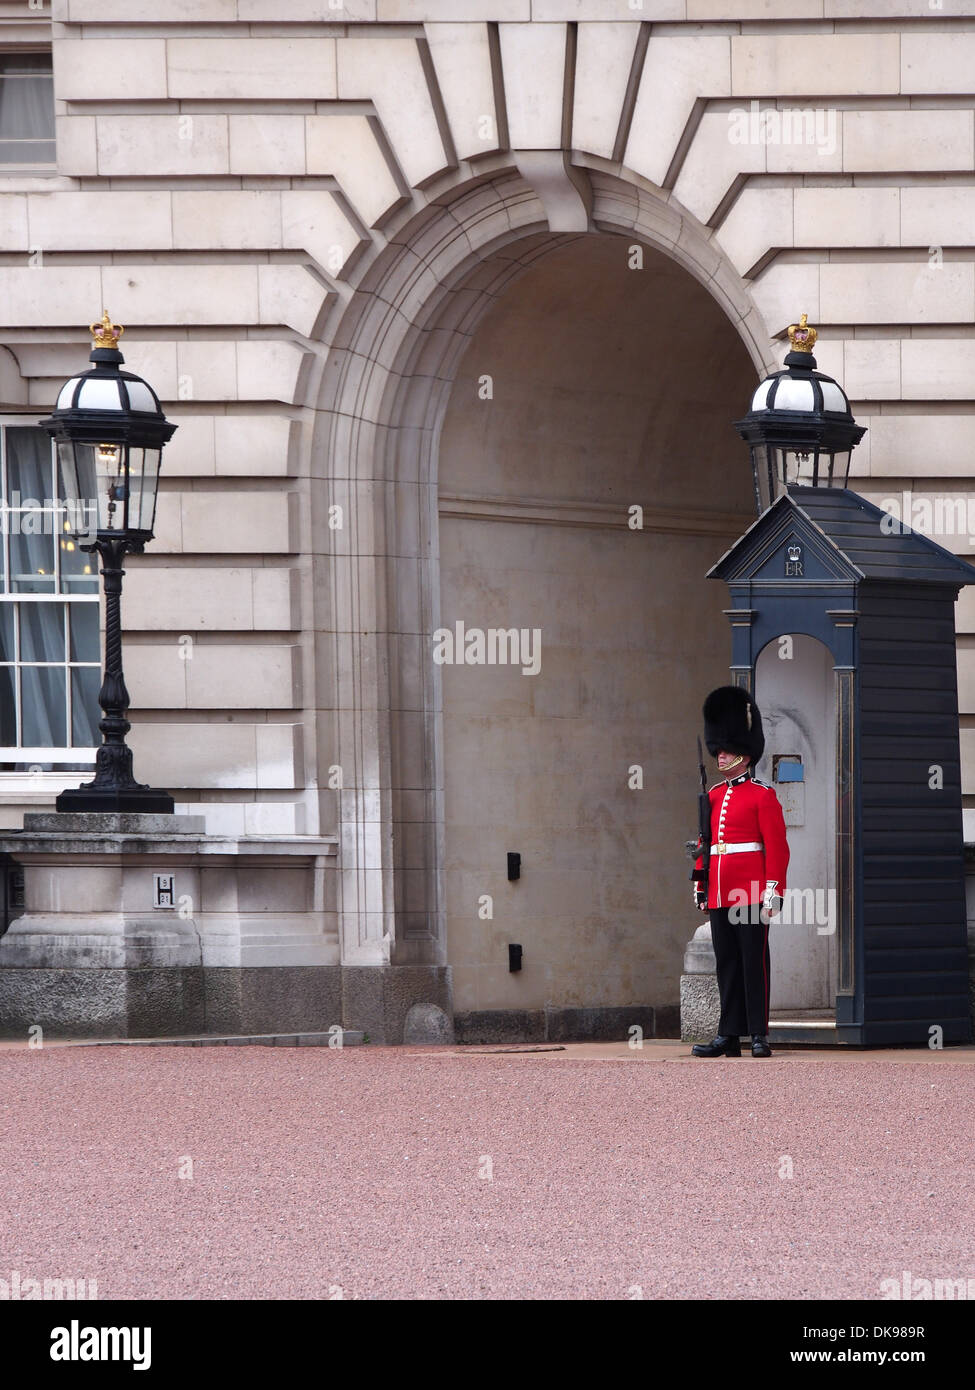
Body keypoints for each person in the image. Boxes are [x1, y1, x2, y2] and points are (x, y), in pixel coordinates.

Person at [690, 685, 789, 1059]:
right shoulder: (714, 796)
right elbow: (707, 844)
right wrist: (701, 884)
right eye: (718, 750)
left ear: (745, 753)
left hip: (749, 892)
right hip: (719, 890)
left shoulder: (763, 796)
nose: (721, 755)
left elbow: (777, 847)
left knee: (753, 962)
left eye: (727, 749)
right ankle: (728, 1034)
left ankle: (758, 1034)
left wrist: (773, 889)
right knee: (727, 964)